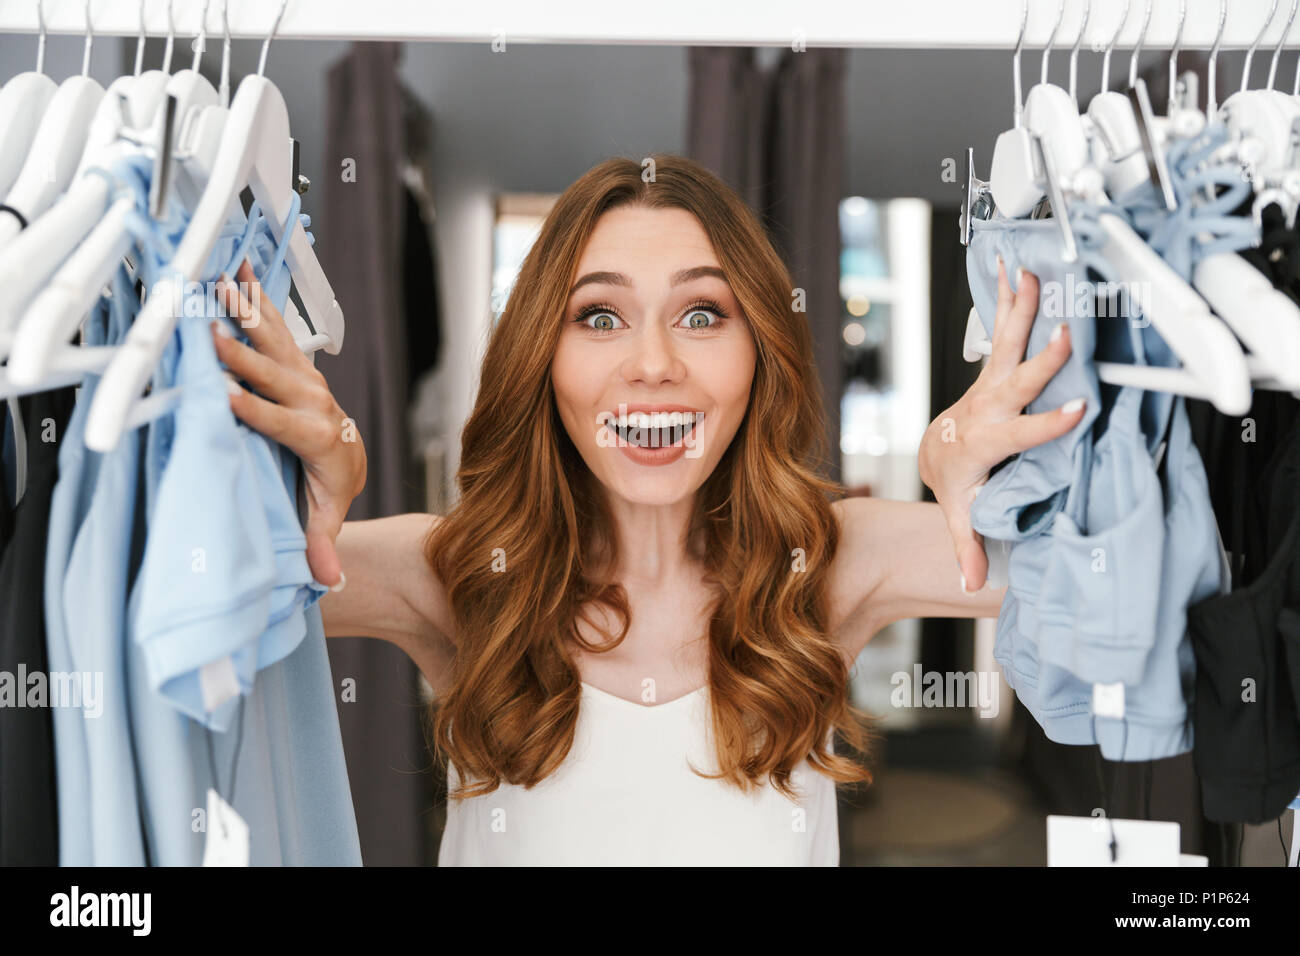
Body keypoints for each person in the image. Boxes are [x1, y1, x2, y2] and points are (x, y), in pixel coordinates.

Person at [210, 154, 1084, 864]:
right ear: (541, 357)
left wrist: (980, 488)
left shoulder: (828, 561)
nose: (654, 362)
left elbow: (1114, 591)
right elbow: (185, 603)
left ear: (760, 351)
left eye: (702, 313)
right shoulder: (457, 572)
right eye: (599, 317)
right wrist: (310, 502)